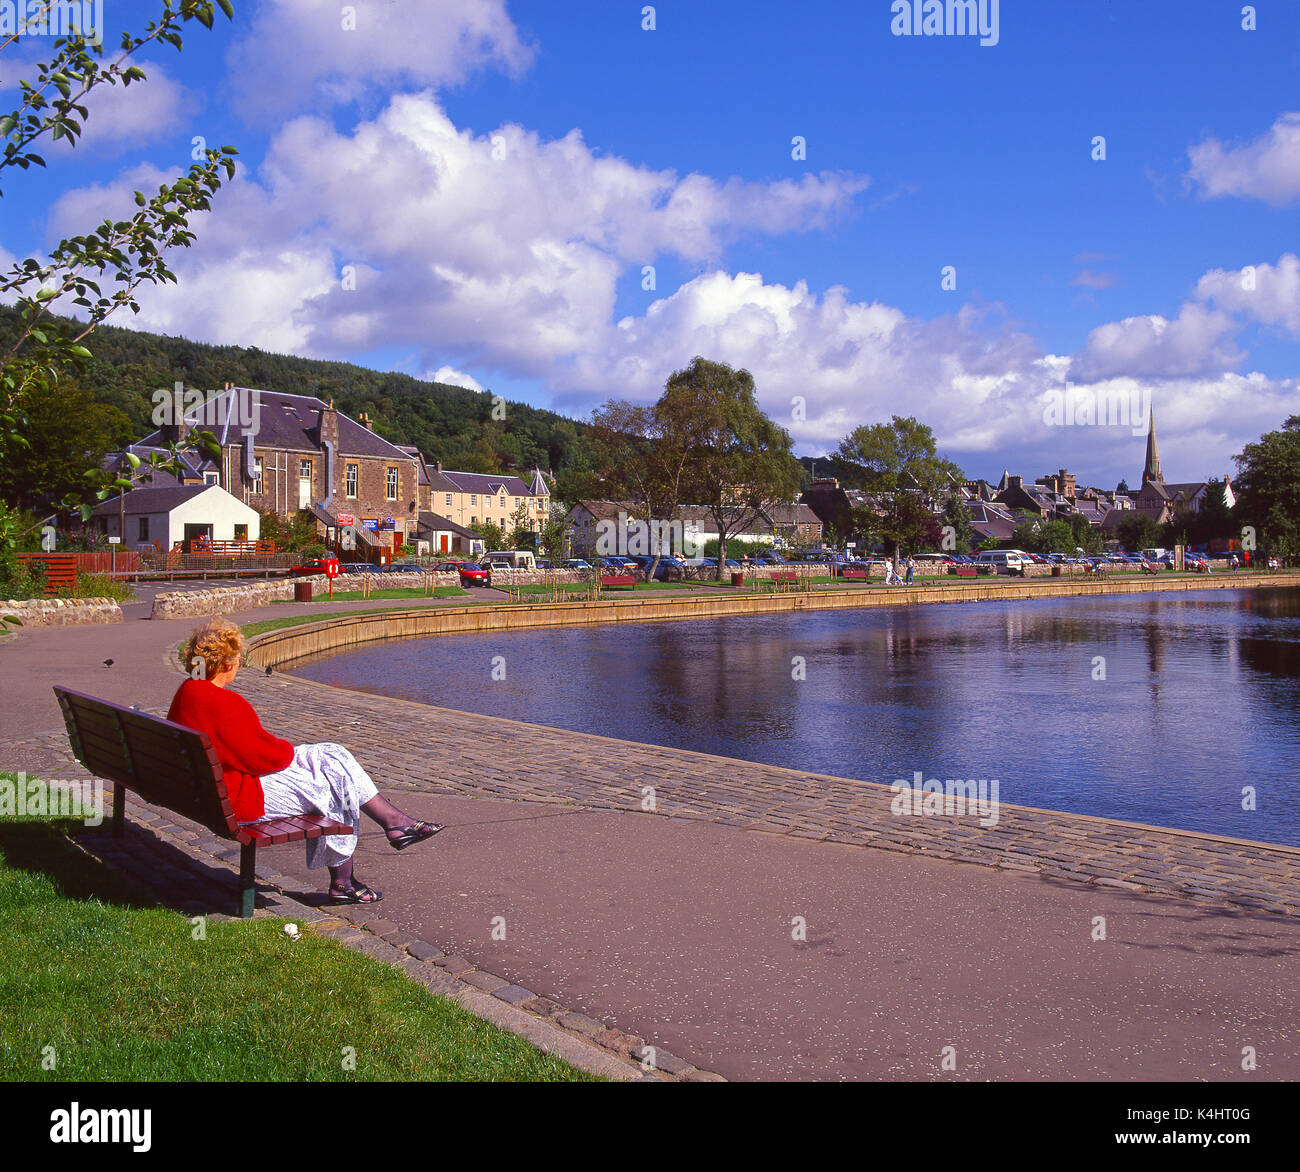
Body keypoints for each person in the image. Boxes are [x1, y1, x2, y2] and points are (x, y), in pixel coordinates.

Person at [168, 618, 442, 906]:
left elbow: (247, 752)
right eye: (238, 659)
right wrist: (292, 754)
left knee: (332, 754)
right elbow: (265, 758)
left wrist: (299, 755)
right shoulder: (223, 702)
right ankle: (347, 878)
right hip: (238, 800)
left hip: (209, 791)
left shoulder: (189, 691)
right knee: (336, 788)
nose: (239, 665)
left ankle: (395, 823)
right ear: (226, 664)